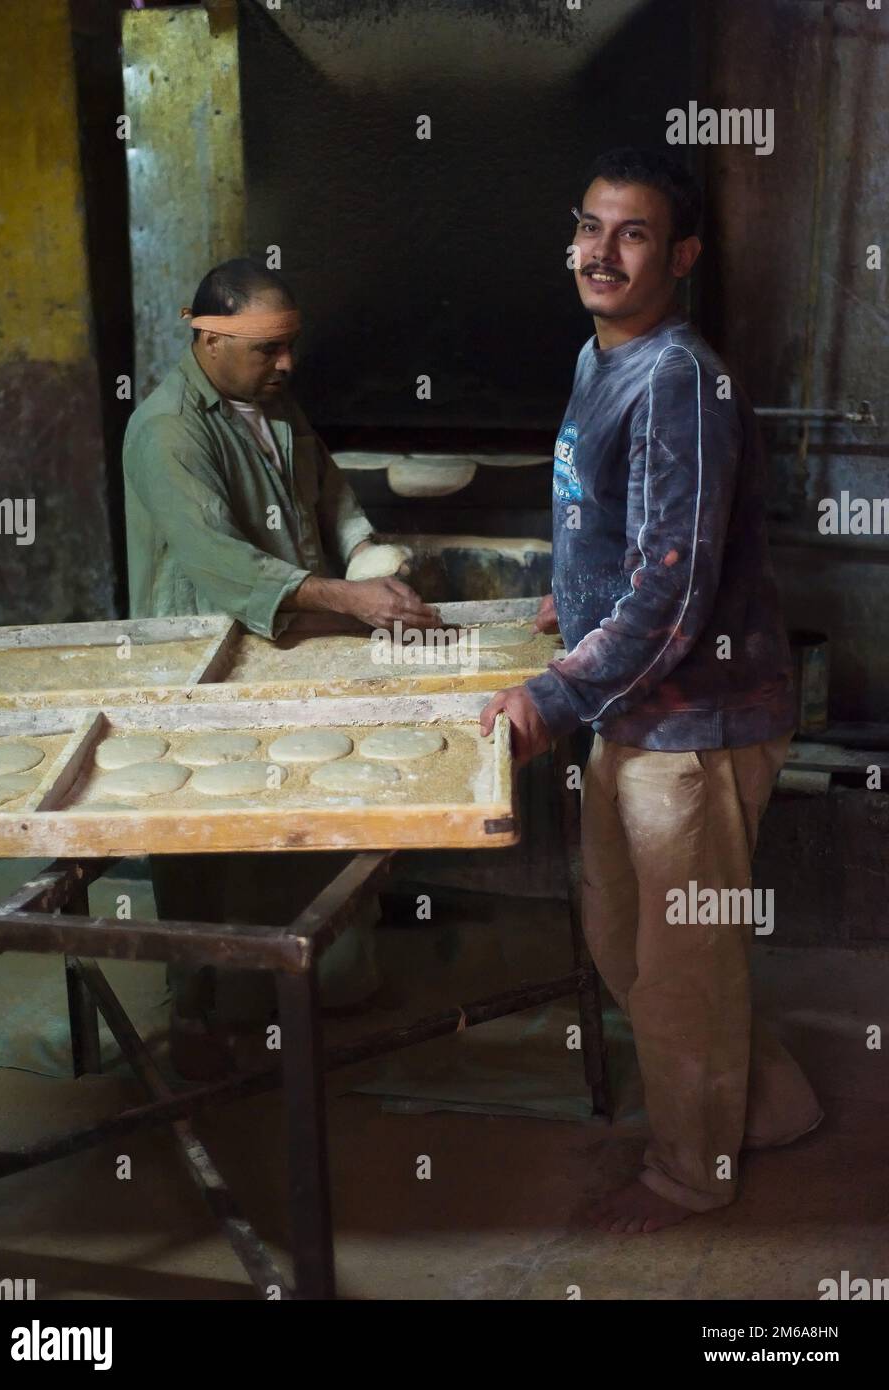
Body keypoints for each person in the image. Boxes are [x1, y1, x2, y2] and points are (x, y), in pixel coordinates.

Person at [480, 147, 822, 1233]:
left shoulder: (678, 378)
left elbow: (673, 603)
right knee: (632, 938)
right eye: (588, 225)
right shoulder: (604, 360)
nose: (599, 250)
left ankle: (692, 1173)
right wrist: (570, 603)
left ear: (680, 255)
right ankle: (770, 1105)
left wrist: (546, 698)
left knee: (675, 966)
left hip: (698, 723)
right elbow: (621, 532)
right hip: (630, 703)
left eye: (631, 234)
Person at [123, 257, 437, 1078]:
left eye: (290, 346)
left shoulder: (271, 399)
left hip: (291, 648)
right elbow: (221, 565)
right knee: (213, 846)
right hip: (205, 665)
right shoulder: (167, 430)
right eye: (269, 350)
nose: (287, 364)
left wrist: (365, 549)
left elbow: (327, 491)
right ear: (209, 337)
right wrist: (351, 601)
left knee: (297, 820)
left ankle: (298, 986)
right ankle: (204, 1015)